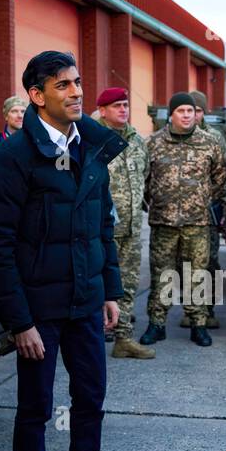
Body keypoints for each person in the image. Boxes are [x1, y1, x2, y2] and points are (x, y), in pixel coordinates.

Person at [0, 50, 134, 451]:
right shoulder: (12, 157)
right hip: (38, 313)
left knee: (91, 397)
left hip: (86, 301)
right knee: (35, 408)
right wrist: (18, 320)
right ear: (36, 94)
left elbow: (102, 226)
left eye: (77, 83)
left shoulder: (92, 148)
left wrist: (109, 290)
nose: (75, 92)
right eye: (63, 85)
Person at [139, 93, 226, 347]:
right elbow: (144, 180)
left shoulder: (210, 142)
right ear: (172, 114)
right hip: (163, 222)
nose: (187, 115)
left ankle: (198, 324)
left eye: (190, 110)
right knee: (162, 275)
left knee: (197, 275)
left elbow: (221, 177)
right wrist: (156, 201)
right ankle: (157, 324)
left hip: (197, 224)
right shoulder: (153, 143)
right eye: (181, 111)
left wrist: (201, 199)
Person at [96, 87, 154, 360]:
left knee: (128, 284)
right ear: (103, 110)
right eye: (117, 105)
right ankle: (92, 340)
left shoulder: (136, 141)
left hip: (131, 228)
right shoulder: (89, 138)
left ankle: (124, 338)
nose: (123, 110)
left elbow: (145, 176)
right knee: (96, 285)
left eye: (125, 105)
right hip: (99, 230)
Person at [190, 89, 226, 331]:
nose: (193, 115)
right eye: (189, 109)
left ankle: (209, 309)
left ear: (203, 112)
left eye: (197, 110)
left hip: (208, 213)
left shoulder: (214, 137)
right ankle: (191, 309)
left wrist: (223, 208)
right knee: (186, 265)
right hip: (184, 216)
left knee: (210, 262)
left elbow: (223, 175)